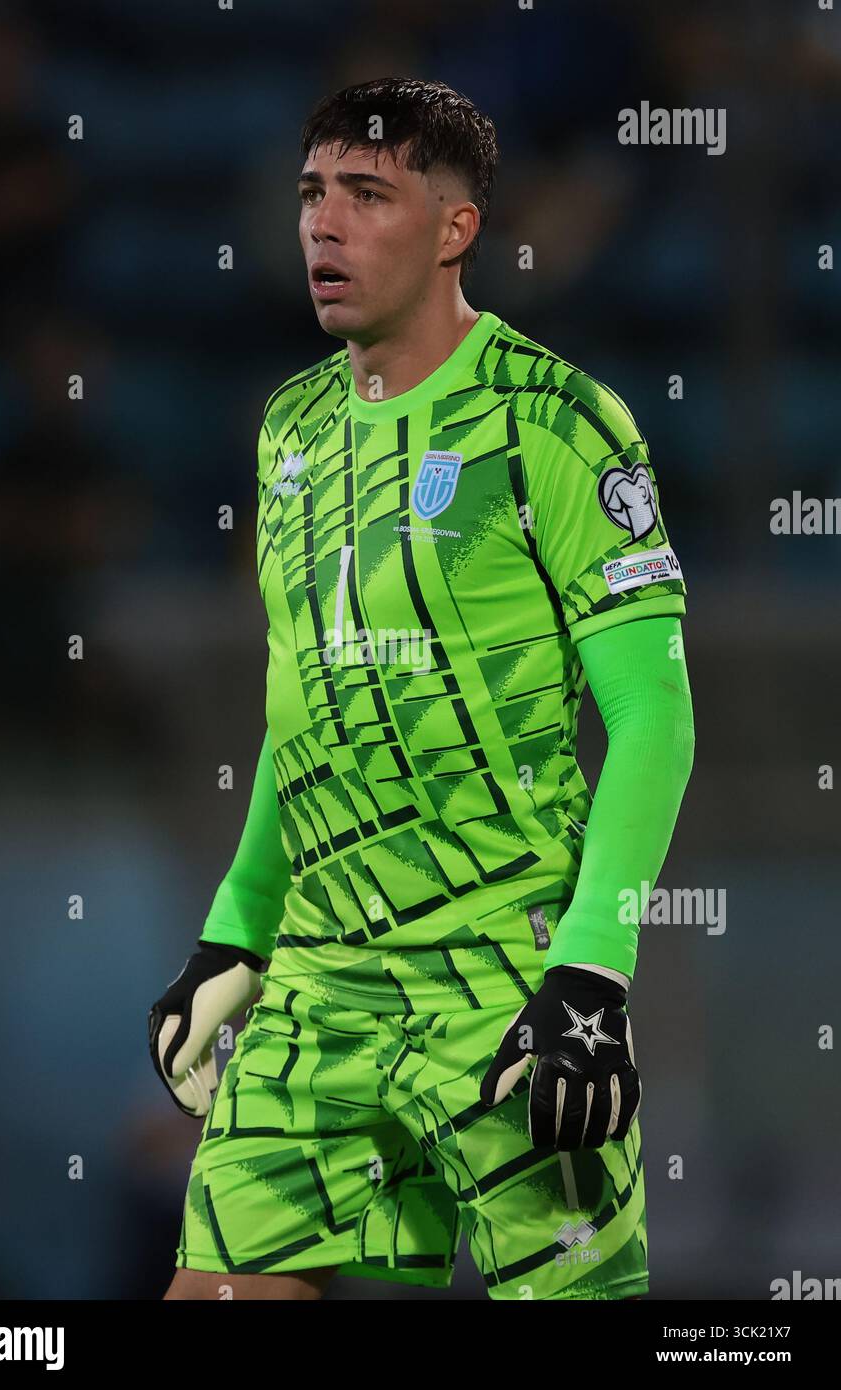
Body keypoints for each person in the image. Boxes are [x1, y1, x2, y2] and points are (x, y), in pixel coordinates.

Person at [149, 77, 694, 1301]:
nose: (321, 227)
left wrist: (594, 970)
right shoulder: (288, 430)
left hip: (507, 982)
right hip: (321, 987)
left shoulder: (555, 422)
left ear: (455, 228)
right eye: (310, 195)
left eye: (366, 195)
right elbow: (305, 710)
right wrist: (236, 930)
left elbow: (655, 713)